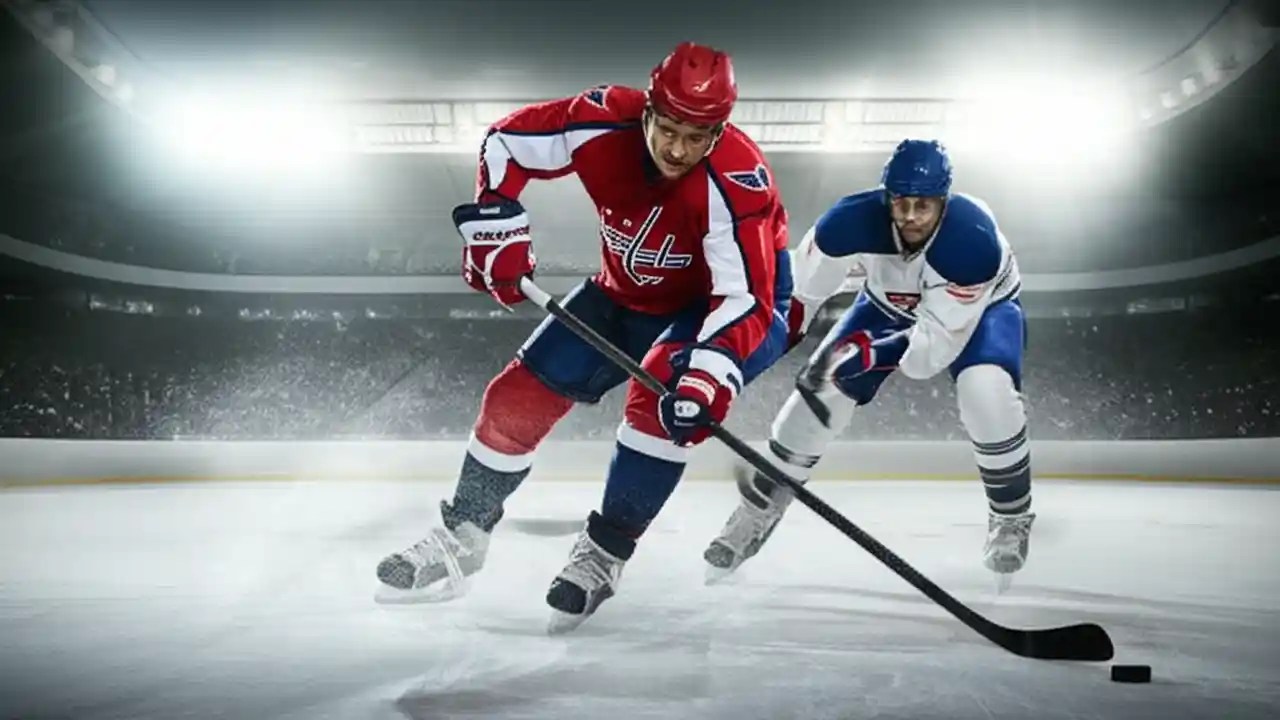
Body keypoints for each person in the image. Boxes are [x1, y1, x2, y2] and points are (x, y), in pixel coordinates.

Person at [377, 42, 800, 632]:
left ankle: (604, 553)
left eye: (698, 135)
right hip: (621, 292)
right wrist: (498, 218)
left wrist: (710, 371)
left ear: (719, 130)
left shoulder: (738, 181)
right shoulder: (601, 119)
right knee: (512, 399)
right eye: (669, 129)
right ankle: (464, 534)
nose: (679, 149)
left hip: (722, 310)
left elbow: (745, 299)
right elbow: (506, 141)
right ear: (647, 110)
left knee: (658, 404)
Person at [703, 139, 1034, 583]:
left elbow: (926, 357)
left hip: (980, 312)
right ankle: (760, 506)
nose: (912, 216)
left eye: (924, 205)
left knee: (985, 390)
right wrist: (735, 364)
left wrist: (874, 353)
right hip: (887, 305)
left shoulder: (971, 246)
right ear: (886, 198)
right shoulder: (845, 224)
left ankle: (1010, 515)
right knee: (818, 390)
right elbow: (797, 301)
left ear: (944, 201)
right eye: (902, 203)